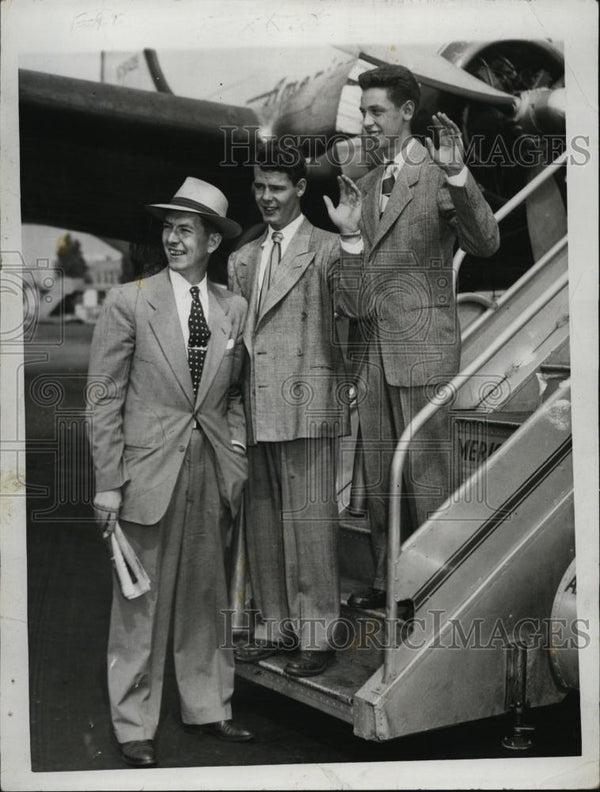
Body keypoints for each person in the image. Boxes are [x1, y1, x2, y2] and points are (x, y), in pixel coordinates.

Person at [87, 177, 253, 768]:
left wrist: (234, 449)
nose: (173, 239)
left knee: (206, 596)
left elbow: (233, 393)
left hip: (211, 467)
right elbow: (103, 398)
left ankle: (209, 706)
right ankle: (134, 722)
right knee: (141, 604)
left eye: (186, 229)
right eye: (168, 228)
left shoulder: (232, 308)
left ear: (212, 240)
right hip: (144, 475)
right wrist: (109, 481)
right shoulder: (130, 302)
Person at [324, 64, 500, 610]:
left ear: (407, 112)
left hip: (423, 350)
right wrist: (351, 240)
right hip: (372, 353)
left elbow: (487, 241)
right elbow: (353, 297)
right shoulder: (368, 185)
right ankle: (386, 580)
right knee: (380, 477)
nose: (367, 122)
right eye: (362, 112)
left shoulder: (436, 172)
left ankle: (433, 586)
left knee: (427, 474)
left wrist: (458, 176)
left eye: (377, 111)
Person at [228, 142, 352, 677]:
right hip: (257, 409)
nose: (266, 198)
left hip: (308, 404)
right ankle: (275, 627)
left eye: (277, 188)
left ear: (300, 189)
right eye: (259, 187)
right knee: (263, 525)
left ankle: (318, 634)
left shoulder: (328, 248)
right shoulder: (242, 259)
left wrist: (352, 236)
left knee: (312, 527)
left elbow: (357, 305)